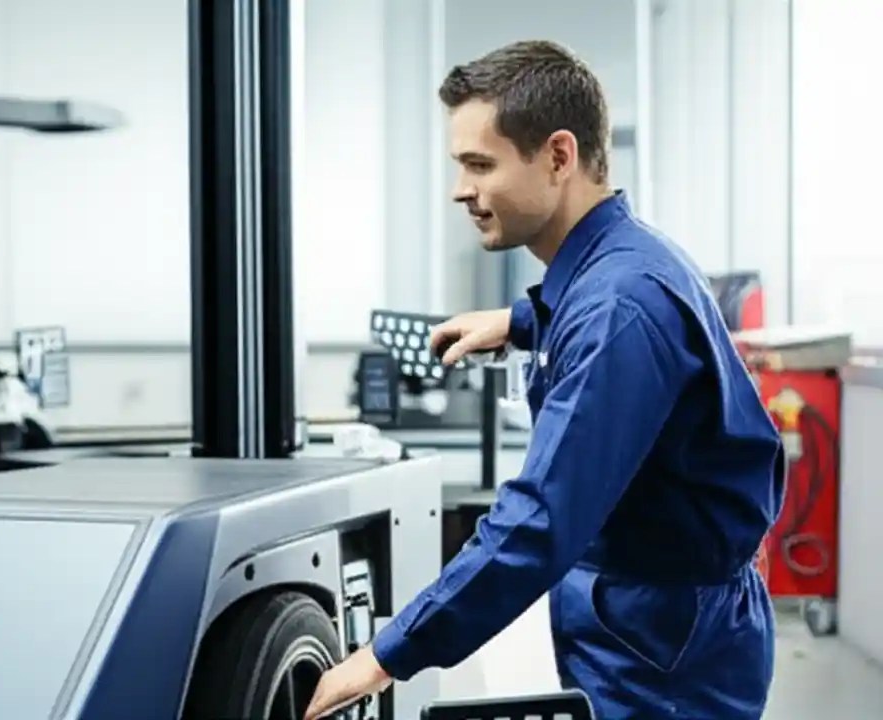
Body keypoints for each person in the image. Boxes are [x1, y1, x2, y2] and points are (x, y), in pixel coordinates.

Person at [304, 40, 784, 720]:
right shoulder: (626, 259)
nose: (459, 189)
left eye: (480, 164)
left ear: (558, 157)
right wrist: (521, 319)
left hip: (659, 638)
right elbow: (600, 308)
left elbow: (540, 520)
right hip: (658, 608)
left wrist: (387, 654)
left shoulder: (619, 308)